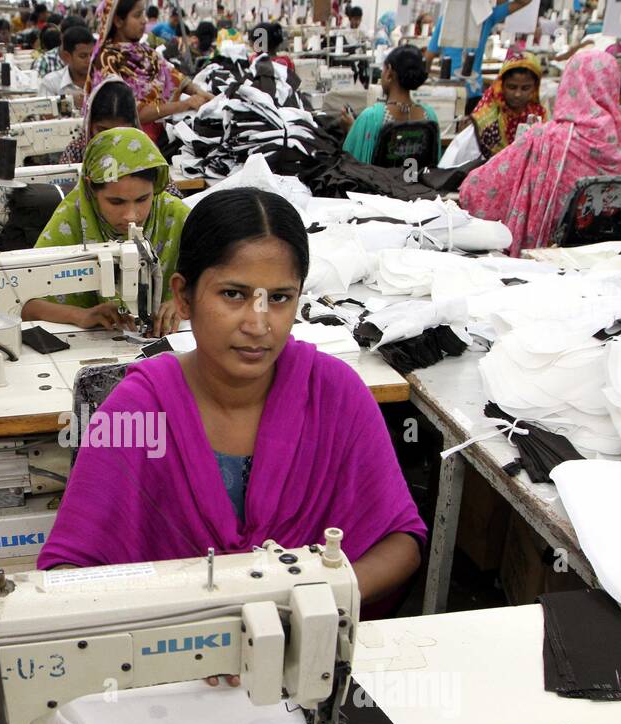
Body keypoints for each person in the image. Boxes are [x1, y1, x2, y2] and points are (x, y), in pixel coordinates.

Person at [36, 187, 426, 609]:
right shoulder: (137, 413)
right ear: (184, 296)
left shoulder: (335, 394)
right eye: (233, 295)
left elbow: (400, 541)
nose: (258, 325)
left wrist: (311, 602)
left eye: (279, 298)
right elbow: (68, 568)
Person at [459, 49, 621, 257]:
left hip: (554, 263)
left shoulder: (545, 140)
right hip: (619, 264)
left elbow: (476, 190)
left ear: (569, 84)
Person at [22, 127, 188, 335]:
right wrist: (80, 315)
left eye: (143, 199)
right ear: (91, 189)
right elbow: (23, 302)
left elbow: (222, 281)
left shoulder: (176, 216)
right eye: (116, 202)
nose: (131, 215)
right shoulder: (70, 221)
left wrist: (184, 301)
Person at [87, 0, 213, 144]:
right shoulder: (106, 60)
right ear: (118, 21)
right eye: (137, 15)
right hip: (126, 144)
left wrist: (205, 95)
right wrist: (187, 104)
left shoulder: (146, 53)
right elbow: (132, 113)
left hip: (156, 137)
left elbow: (178, 79)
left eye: (144, 14)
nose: (144, 20)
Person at [341, 46, 439, 164]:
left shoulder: (370, 118)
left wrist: (353, 129)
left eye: (383, 70)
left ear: (389, 73)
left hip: (379, 182)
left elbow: (353, 165)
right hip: (417, 182)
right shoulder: (429, 117)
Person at [426, 0, 532, 108]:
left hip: (455, 91)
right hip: (461, 91)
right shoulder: (485, 17)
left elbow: (429, 57)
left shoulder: (484, 17)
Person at [470, 49, 546, 158]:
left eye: (525, 88)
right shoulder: (485, 116)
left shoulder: (539, 115)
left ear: (535, 87)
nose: (518, 94)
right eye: (512, 87)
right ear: (501, 85)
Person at [41, 25, 95, 100]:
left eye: (92, 55)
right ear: (67, 57)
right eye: (83, 56)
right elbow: (45, 110)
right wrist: (68, 102)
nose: (89, 60)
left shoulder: (102, 80)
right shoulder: (51, 82)